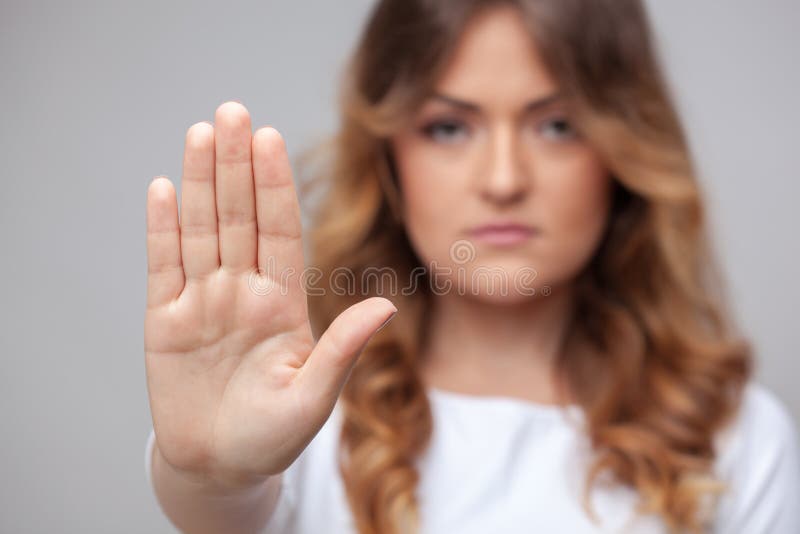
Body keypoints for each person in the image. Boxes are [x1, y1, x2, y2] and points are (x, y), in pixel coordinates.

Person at [143, 1, 800, 533]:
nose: (504, 179)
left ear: (624, 148)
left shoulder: (736, 439)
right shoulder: (298, 413)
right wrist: (212, 478)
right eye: (450, 128)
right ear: (389, 159)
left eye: (559, 126)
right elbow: (224, 505)